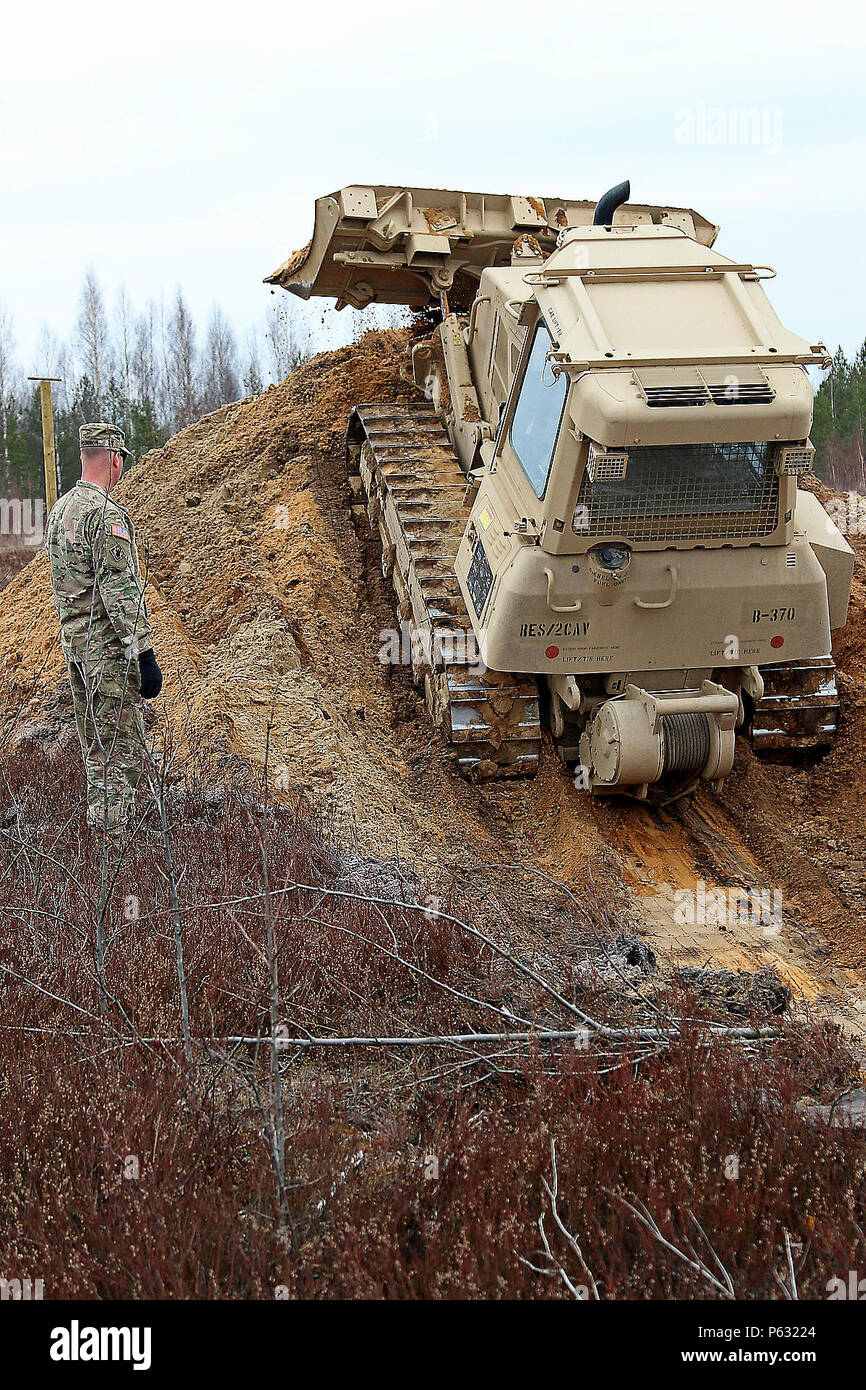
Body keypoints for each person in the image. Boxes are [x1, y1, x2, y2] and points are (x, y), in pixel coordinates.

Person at [45, 422, 163, 840]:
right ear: (114, 459)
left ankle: (98, 849)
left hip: (75, 652)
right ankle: (115, 857)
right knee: (120, 755)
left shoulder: (60, 511)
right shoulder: (105, 515)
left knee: (96, 753)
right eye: (122, 462)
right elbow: (121, 592)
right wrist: (145, 655)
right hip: (109, 656)